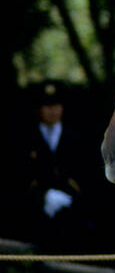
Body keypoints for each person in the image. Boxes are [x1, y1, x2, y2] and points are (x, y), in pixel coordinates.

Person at [24, 80, 93, 251]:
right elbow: (20, 174)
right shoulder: (26, 137)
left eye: (56, 105)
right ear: (39, 109)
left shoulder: (75, 137)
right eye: (47, 106)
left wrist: (71, 194)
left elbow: (85, 173)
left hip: (71, 206)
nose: (52, 111)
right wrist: (43, 196)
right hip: (36, 211)